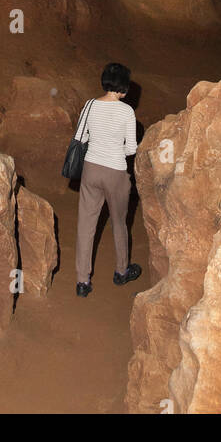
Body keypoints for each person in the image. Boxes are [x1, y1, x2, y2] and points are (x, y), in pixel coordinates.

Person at [74, 62, 141, 297]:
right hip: (115, 172)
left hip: (90, 169)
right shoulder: (126, 112)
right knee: (119, 223)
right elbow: (131, 148)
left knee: (85, 225)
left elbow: (80, 137)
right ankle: (122, 271)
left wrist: (99, 146)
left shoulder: (90, 105)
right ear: (123, 86)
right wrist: (114, 150)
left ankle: (82, 282)